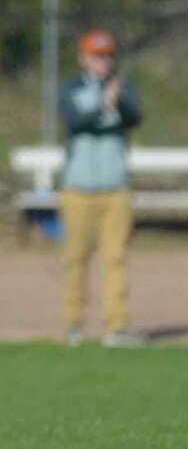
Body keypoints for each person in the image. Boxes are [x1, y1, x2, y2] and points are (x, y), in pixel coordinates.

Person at [59, 28, 144, 348]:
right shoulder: (72, 88)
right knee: (76, 258)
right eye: (97, 55)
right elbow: (74, 121)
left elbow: (135, 118)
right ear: (84, 59)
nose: (103, 61)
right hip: (78, 187)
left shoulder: (123, 88)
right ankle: (73, 324)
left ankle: (117, 327)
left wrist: (117, 100)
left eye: (107, 55)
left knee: (115, 258)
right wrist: (102, 107)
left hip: (115, 187)